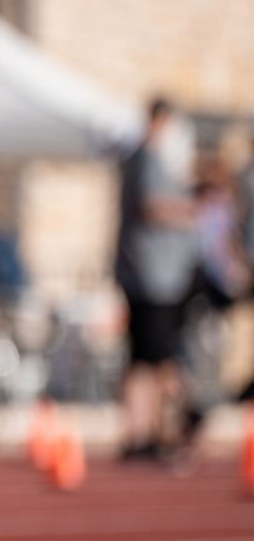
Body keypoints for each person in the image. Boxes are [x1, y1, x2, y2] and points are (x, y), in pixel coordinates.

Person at [114, 97, 199, 459]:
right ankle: (181, 416)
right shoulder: (148, 159)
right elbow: (153, 207)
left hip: (150, 273)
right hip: (155, 276)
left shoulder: (140, 159)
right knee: (157, 355)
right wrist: (194, 208)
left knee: (144, 358)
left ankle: (143, 432)